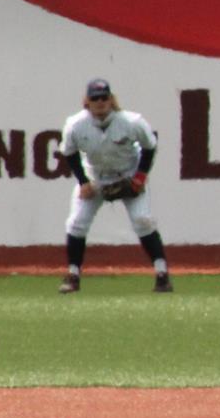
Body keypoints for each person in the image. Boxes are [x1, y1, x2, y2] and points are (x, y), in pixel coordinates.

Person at [58, 78, 171, 294]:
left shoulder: (131, 121)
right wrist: (83, 182)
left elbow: (149, 147)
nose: (100, 102)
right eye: (95, 98)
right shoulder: (76, 124)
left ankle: (162, 274)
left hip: (127, 175)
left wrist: (140, 177)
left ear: (111, 99)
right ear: (87, 101)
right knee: (76, 223)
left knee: (142, 220)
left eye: (104, 97)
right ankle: (73, 275)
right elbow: (69, 152)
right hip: (95, 177)